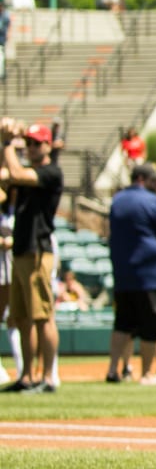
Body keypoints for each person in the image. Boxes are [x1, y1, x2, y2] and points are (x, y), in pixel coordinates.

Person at [2, 119, 63, 393]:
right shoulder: (26, 171)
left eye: (36, 143)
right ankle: (27, 375)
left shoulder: (51, 172)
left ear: (48, 145)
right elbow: (6, 175)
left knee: (43, 316)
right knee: (22, 318)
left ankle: (48, 377)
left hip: (38, 250)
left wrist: (7, 143)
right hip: (20, 250)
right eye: (28, 143)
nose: (31, 147)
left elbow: (13, 173)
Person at [106, 163, 156, 386]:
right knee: (151, 323)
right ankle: (147, 373)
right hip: (149, 274)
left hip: (123, 273)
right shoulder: (152, 200)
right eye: (154, 181)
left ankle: (112, 370)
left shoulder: (117, 199)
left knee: (122, 324)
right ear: (143, 179)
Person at [0, 187, 22, 384]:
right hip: (2, 270)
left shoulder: (18, 211)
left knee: (14, 318)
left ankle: (21, 366)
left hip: (13, 269)